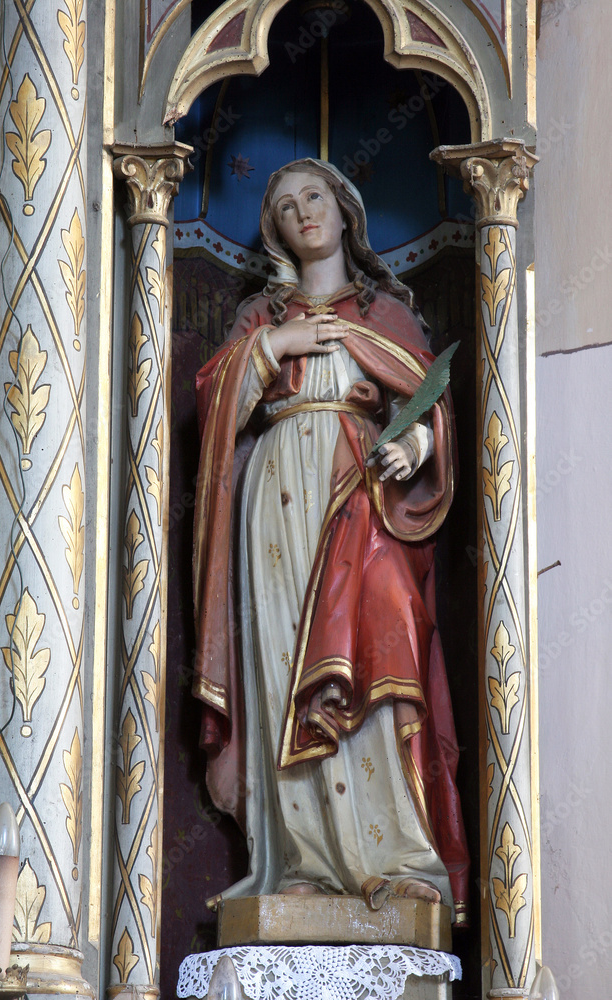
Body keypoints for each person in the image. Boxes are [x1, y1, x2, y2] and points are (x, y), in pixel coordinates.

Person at [193, 159, 469, 923]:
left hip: (363, 495)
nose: (300, 213)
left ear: (344, 210)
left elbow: (425, 410)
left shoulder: (388, 315)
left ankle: (402, 857)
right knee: (282, 671)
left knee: (379, 647)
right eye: (282, 206)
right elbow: (216, 402)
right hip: (275, 499)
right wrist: (274, 345)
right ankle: (303, 862)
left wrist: (411, 450)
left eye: (312, 196)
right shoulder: (261, 317)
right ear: (274, 230)